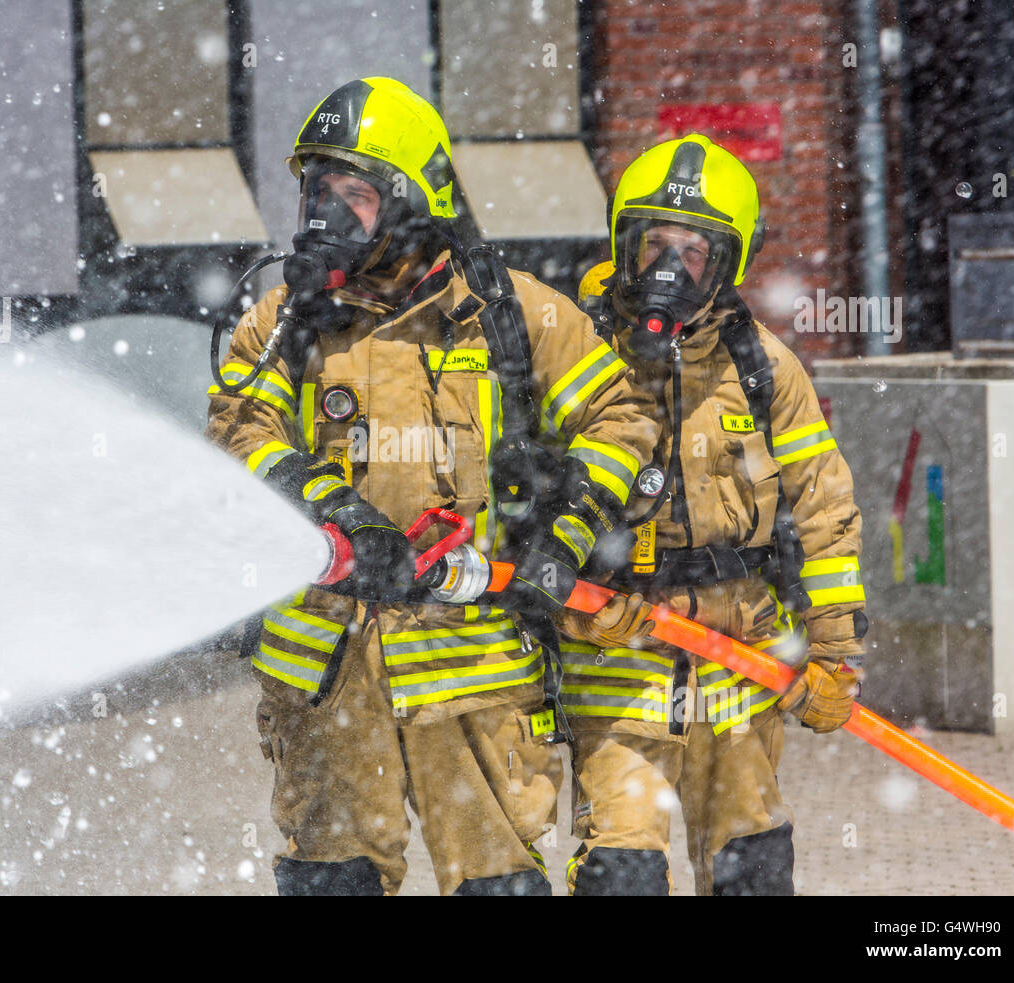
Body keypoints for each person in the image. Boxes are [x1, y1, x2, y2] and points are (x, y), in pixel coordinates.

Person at [205, 77, 657, 896]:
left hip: (475, 673)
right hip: (326, 678)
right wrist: (340, 517)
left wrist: (564, 533)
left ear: (414, 204)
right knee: (329, 884)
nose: (325, 216)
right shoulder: (281, 322)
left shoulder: (511, 314)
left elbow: (620, 416)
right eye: (317, 191)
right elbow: (240, 437)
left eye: (355, 194)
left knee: (497, 888)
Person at [557, 133, 867, 896]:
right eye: (653, 242)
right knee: (621, 869)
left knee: (751, 865)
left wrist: (832, 652)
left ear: (728, 262)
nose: (668, 267)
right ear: (621, 244)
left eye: (693, 251)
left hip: (743, 662)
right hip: (620, 655)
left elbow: (823, 505)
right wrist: (572, 608)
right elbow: (528, 508)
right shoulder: (576, 356)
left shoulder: (763, 367)